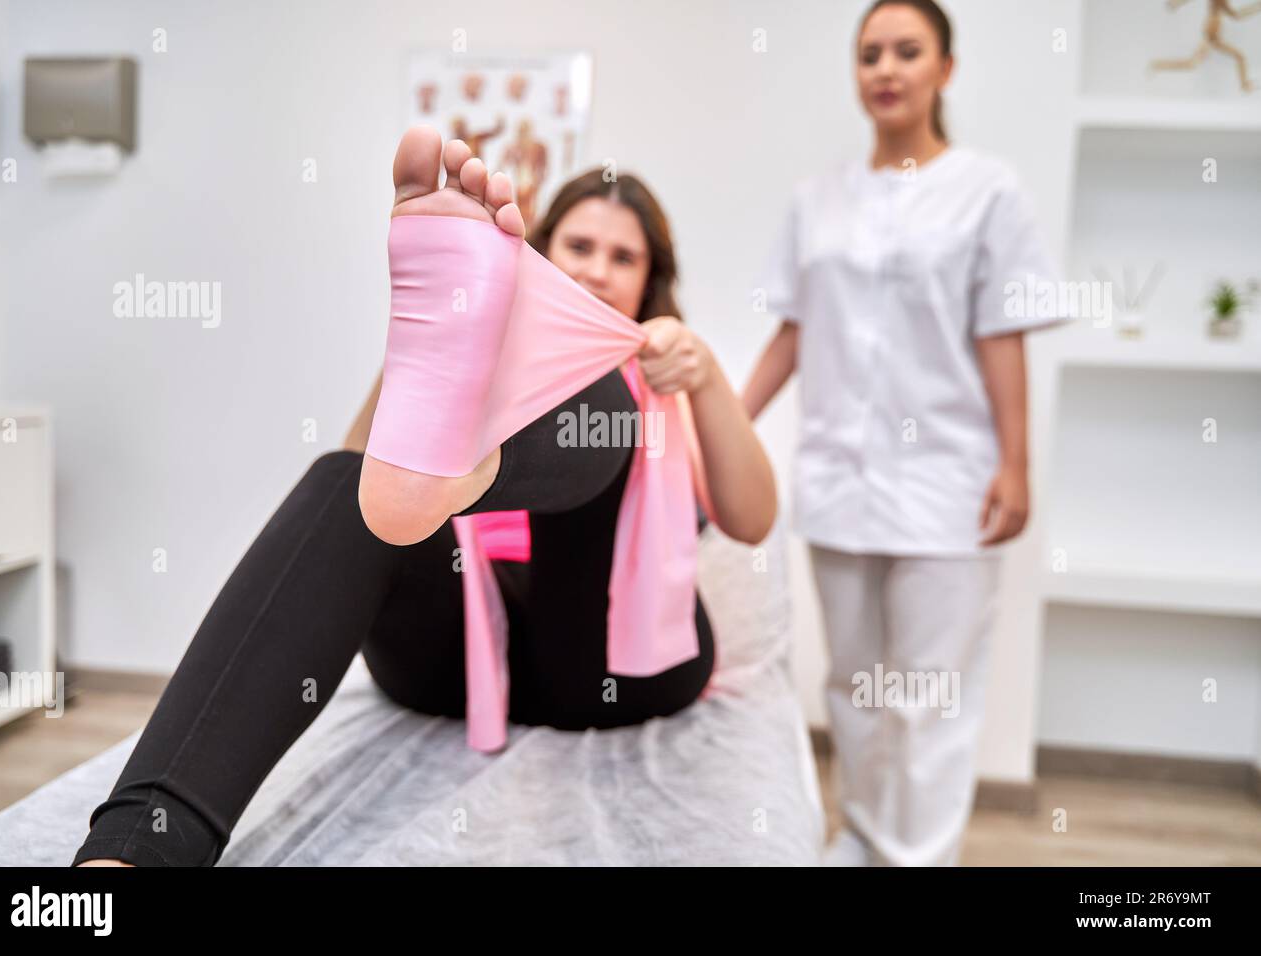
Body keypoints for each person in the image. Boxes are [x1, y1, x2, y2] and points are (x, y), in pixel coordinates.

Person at [72, 125, 775, 866]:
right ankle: (134, 851)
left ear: (651, 280)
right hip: (458, 662)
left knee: (604, 392)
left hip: (611, 668)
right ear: (542, 254)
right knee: (352, 477)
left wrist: (706, 379)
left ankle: (480, 462)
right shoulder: (479, 358)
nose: (598, 271)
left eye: (622, 257)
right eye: (578, 248)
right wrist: (426, 343)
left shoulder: (676, 376)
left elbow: (754, 520)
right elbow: (362, 491)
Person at [742, 0, 1063, 866]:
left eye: (907, 51)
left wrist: (1016, 465)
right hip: (838, 478)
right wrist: (721, 423)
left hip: (947, 481)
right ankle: (864, 841)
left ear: (945, 70)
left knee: (929, 695)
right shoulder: (819, 200)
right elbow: (795, 331)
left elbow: (1003, 331)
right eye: (869, 53)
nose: (885, 68)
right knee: (852, 686)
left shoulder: (989, 191)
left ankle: (917, 856)